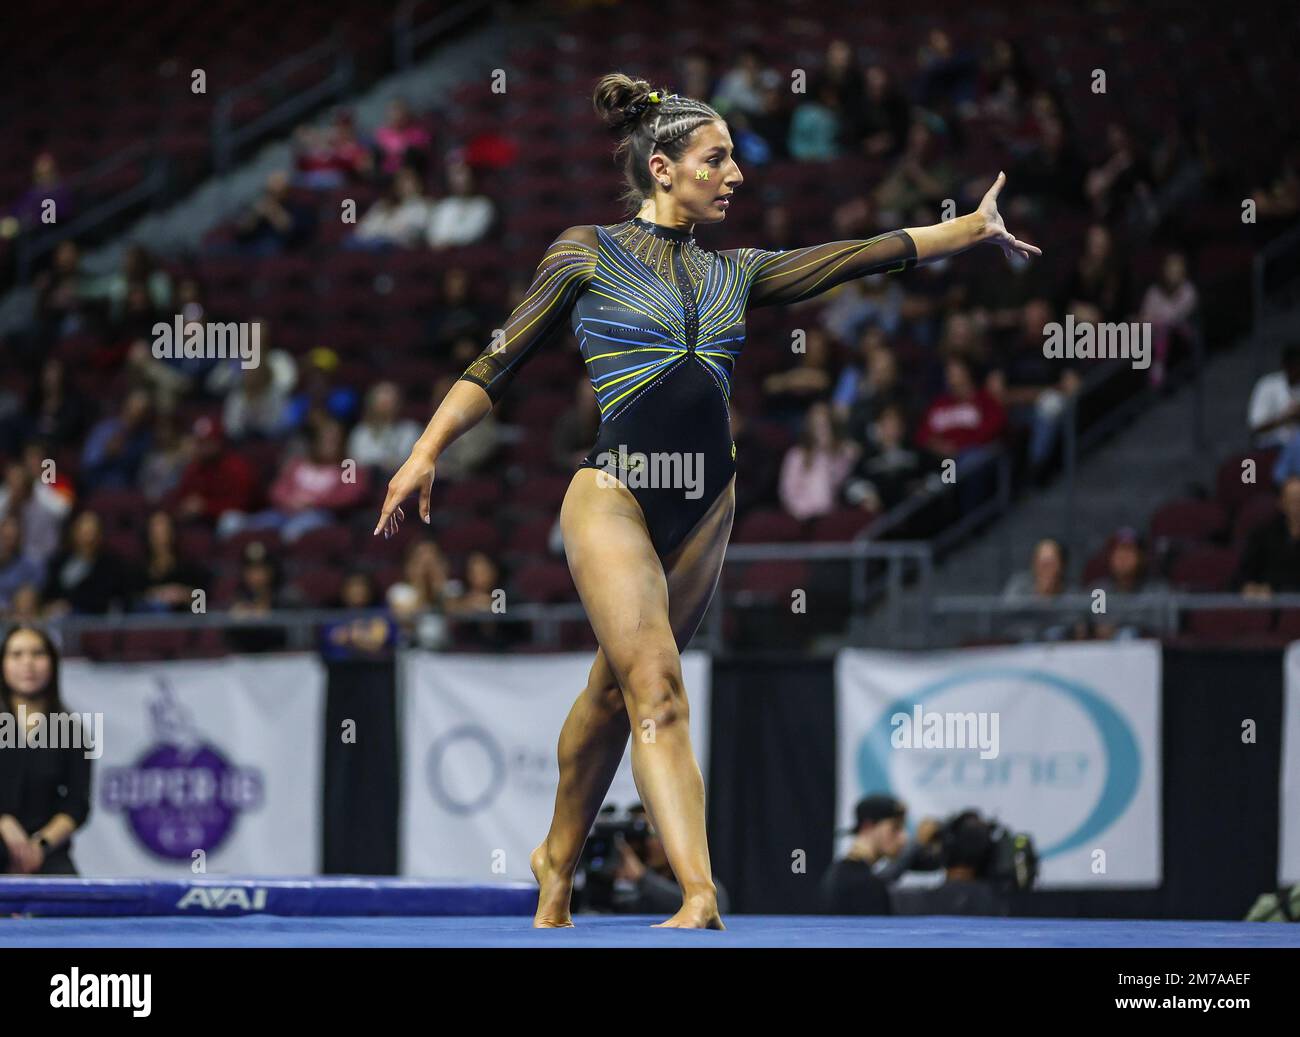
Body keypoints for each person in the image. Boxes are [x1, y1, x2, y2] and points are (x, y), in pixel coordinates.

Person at [372, 74, 1039, 929]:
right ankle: (699, 891)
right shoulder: (586, 253)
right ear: (663, 167)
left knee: (617, 690)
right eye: (717, 159)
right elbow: (497, 361)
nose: (736, 175)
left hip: (705, 507)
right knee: (657, 684)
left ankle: (555, 857)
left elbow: (862, 252)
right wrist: (424, 449)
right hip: (612, 495)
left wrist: (972, 228)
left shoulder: (739, 272)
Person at [0, 624, 92, 875]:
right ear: (3, 664)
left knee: (70, 903)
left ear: (52, 663)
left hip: (46, 851)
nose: (27, 663)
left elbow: (76, 805)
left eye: (38, 653)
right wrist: (4, 823)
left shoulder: (70, 730)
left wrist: (39, 845)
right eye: (17, 654)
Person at [890, 810, 1011, 916]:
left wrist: (916, 845)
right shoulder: (1005, 903)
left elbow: (874, 893)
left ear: (944, 851)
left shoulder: (909, 902)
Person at [820, 794, 909, 915]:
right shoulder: (863, 884)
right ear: (868, 826)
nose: (903, 838)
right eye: (895, 828)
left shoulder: (842, 873)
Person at [1237, 476, 1300, 597]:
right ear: (1281, 503)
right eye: (1293, 501)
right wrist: (1251, 587)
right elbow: (1244, 577)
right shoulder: (1263, 536)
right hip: (1273, 607)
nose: (1298, 507)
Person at [1248, 342, 1300, 448]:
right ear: (1286, 365)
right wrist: (1287, 417)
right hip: (1272, 448)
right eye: (1295, 365)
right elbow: (1256, 425)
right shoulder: (1268, 385)